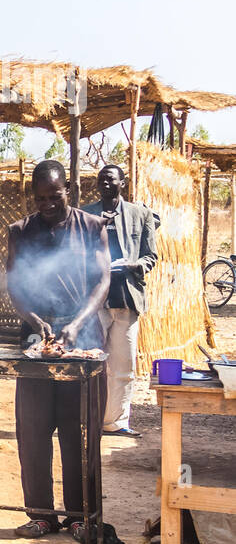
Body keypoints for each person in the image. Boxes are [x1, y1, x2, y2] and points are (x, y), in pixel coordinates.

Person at [5, 159, 111, 542]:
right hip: (37, 341)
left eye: (55, 196)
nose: (48, 204)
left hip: (82, 339)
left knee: (79, 431)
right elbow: (14, 286)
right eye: (41, 198)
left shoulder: (93, 227)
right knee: (32, 430)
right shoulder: (20, 231)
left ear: (69, 190)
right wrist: (35, 322)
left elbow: (103, 281)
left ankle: (82, 516)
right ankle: (42, 515)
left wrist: (78, 324)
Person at [80, 164, 159, 438]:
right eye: (101, 179)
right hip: (95, 301)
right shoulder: (86, 214)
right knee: (91, 364)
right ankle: (90, 421)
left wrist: (135, 265)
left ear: (122, 183)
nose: (104, 183)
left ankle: (116, 422)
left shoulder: (141, 214)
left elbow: (151, 256)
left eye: (110, 179)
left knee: (123, 367)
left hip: (126, 299)